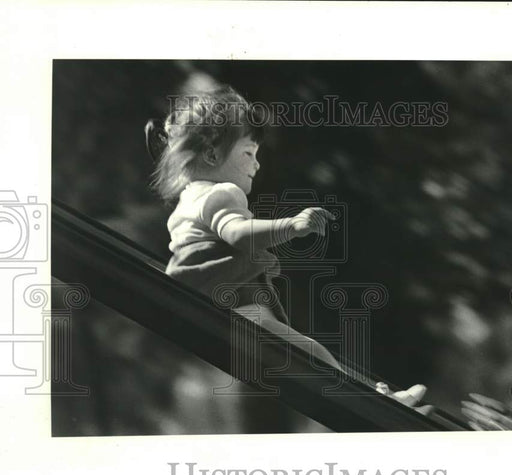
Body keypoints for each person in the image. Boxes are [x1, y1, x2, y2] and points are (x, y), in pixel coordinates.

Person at [145, 86, 428, 410]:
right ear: (211, 155)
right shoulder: (222, 194)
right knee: (315, 355)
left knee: (310, 356)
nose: (257, 165)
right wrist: (291, 226)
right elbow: (239, 234)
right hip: (240, 314)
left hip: (216, 314)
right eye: (249, 153)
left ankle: (375, 398)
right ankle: (378, 404)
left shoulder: (186, 201)